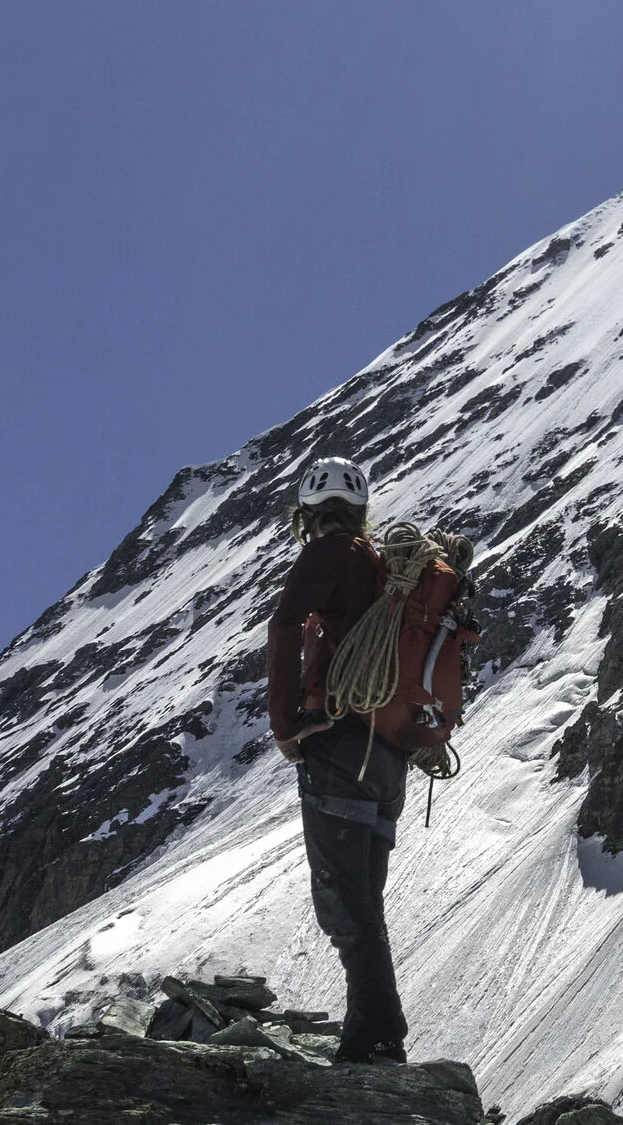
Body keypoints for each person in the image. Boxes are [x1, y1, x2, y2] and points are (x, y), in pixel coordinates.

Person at [264, 456, 408, 1064]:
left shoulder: (331, 552)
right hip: (388, 755)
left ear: (309, 512)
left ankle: (377, 1034)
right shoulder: (383, 566)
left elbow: (285, 623)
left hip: (341, 746)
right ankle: (371, 1032)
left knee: (343, 900)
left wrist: (286, 722)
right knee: (363, 896)